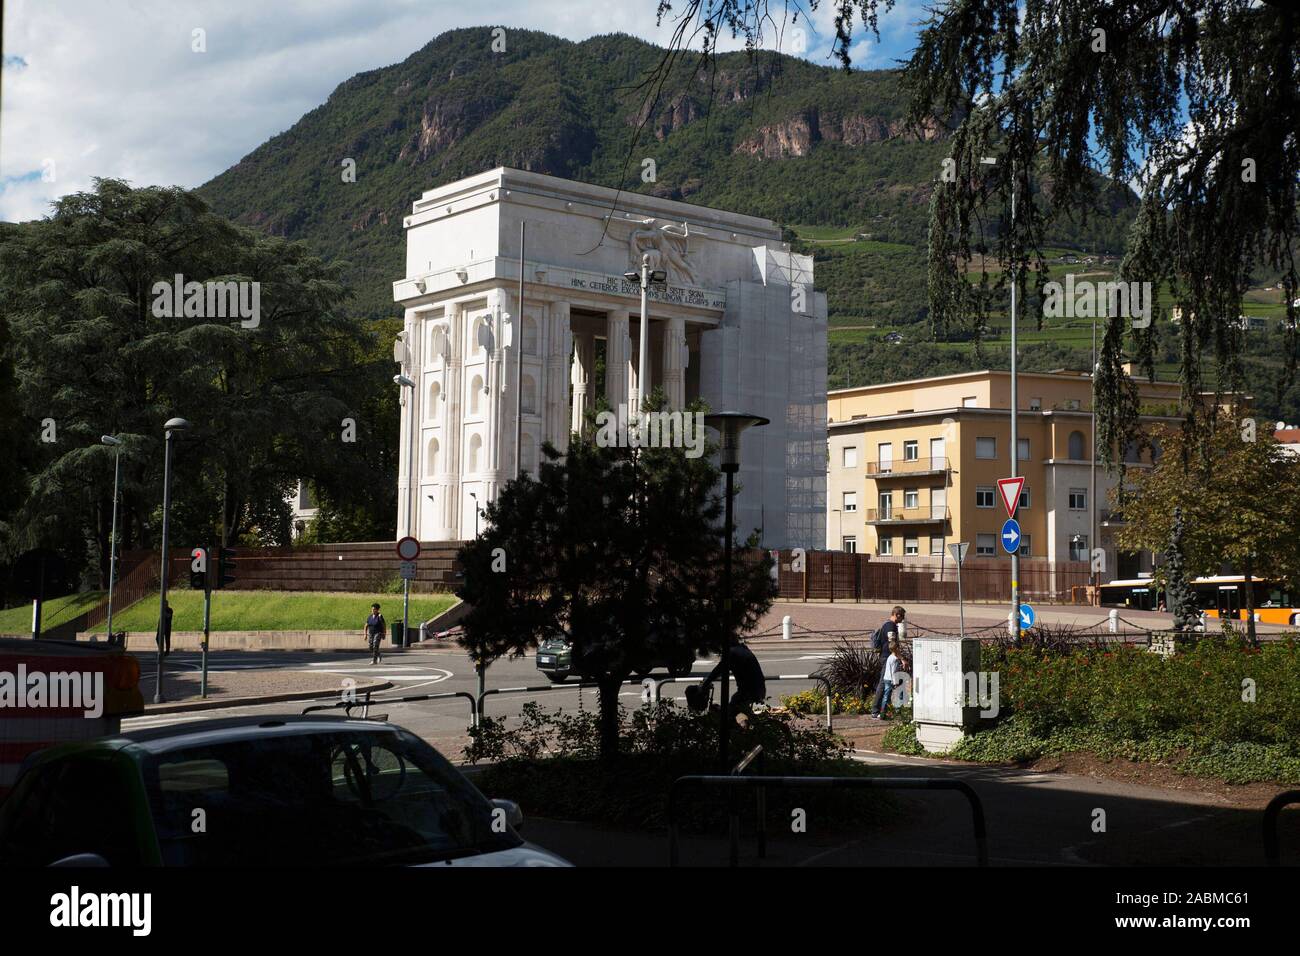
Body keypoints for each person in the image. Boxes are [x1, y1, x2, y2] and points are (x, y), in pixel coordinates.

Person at [692, 642, 766, 718]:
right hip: (758, 689)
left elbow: (719, 669)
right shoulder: (742, 649)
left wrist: (706, 683)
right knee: (736, 708)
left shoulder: (732, 653)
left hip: (749, 692)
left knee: (731, 713)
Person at [870, 606, 906, 718]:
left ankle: (887, 708)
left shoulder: (887, 624)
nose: (903, 619)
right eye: (902, 616)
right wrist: (902, 658)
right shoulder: (890, 626)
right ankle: (876, 711)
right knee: (883, 683)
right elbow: (892, 645)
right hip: (887, 658)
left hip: (886, 657)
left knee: (891, 683)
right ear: (897, 614)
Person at [877, 639, 907, 720]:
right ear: (896, 649)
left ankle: (884, 713)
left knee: (887, 696)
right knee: (893, 695)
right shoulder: (894, 659)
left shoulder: (891, 657)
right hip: (891, 679)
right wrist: (895, 682)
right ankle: (896, 711)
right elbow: (893, 672)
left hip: (887, 678)